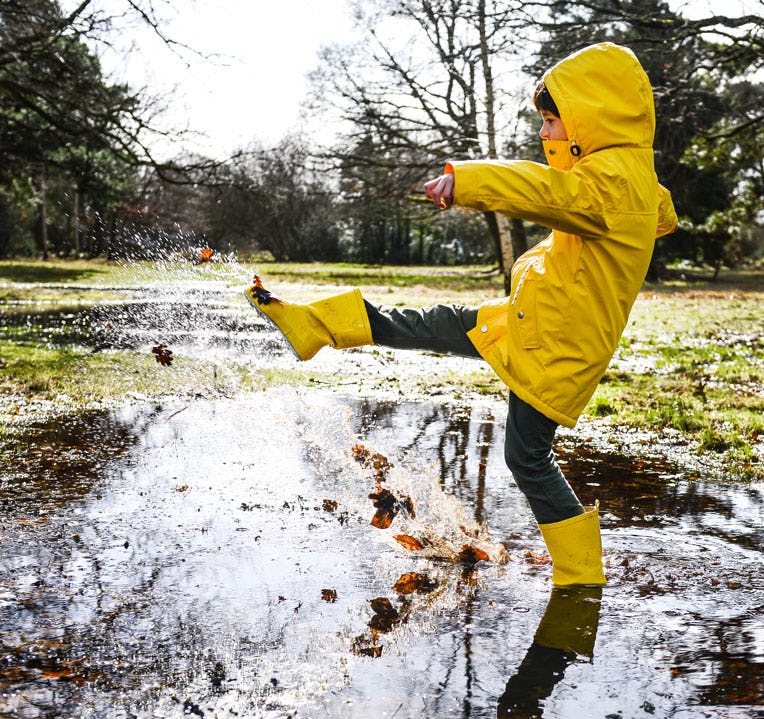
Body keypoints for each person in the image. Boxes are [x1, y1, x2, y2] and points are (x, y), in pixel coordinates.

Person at [245, 42, 678, 586]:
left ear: (593, 121)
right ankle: (315, 325)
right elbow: (654, 210)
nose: (544, 134)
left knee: (527, 457)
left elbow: (542, 190)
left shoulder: (610, 183)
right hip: (535, 321)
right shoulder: (625, 178)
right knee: (435, 323)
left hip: (556, 345)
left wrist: (468, 181)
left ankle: (582, 576)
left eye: (551, 121)